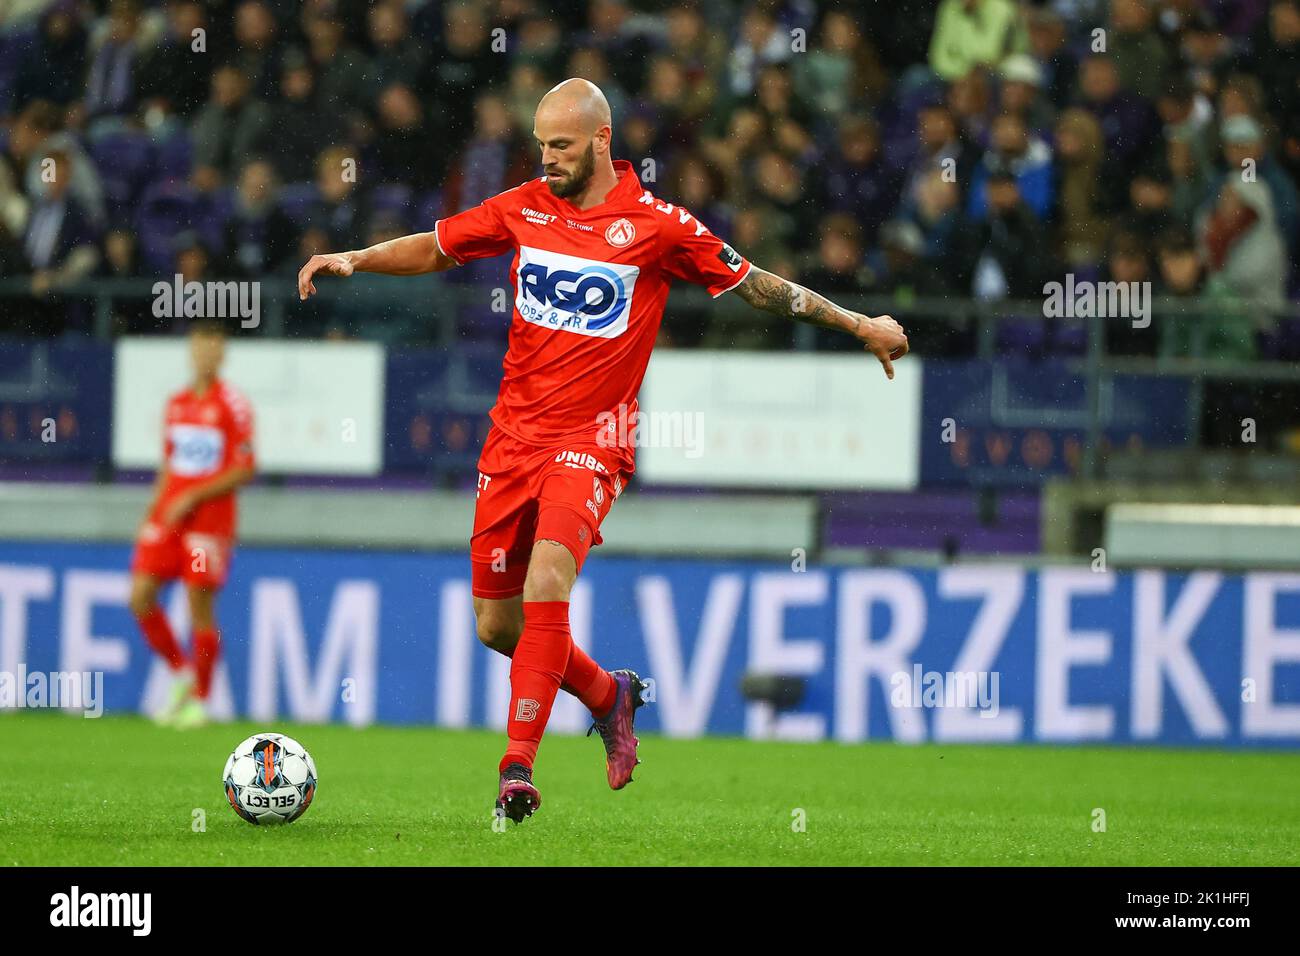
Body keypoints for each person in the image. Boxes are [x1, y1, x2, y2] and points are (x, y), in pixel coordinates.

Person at [297, 78, 908, 823]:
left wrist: (859, 324)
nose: (547, 158)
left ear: (601, 140)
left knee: (547, 583)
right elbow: (439, 245)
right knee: (497, 627)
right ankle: (607, 693)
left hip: (595, 441)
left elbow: (758, 287)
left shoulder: (658, 226)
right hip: (512, 440)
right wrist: (358, 257)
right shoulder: (523, 205)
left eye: (560, 145)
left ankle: (515, 769)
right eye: (541, 145)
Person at [127, 320, 256, 730]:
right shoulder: (177, 403)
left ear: (222, 354)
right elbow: (169, 464)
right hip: (170, 516)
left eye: (212, 347)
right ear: (191, 351)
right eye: (198, 346)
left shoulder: (232, 404)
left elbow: (245, 467)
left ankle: (200, 702)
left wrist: (193, 496)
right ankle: (182, 672)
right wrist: (154, 510)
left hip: (208, 522)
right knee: (140, 596)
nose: (204, 354)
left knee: (198, 604)